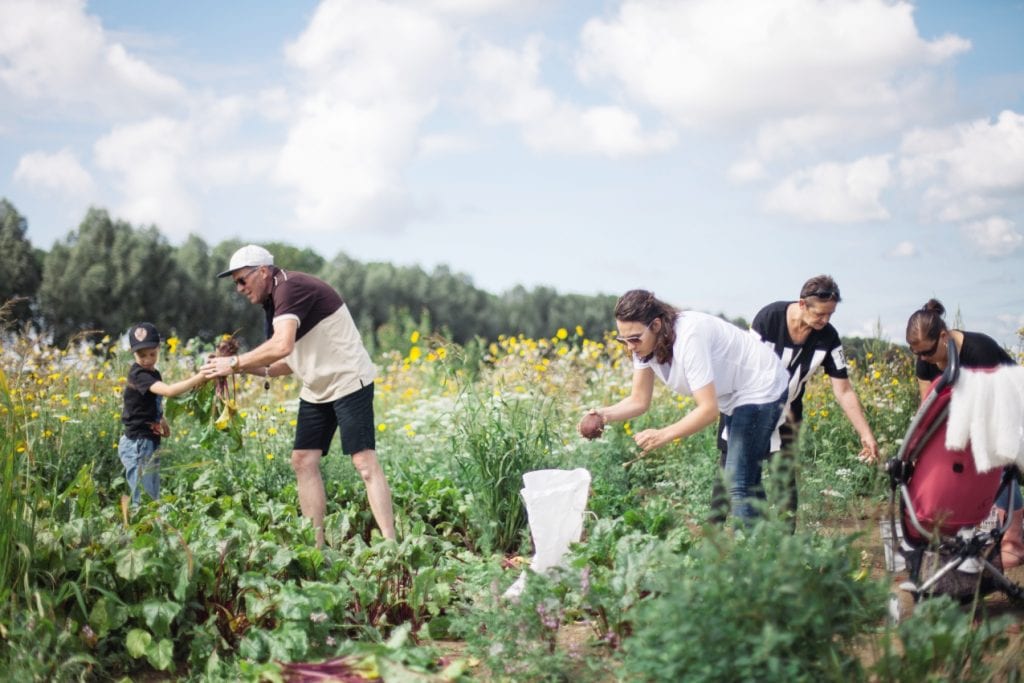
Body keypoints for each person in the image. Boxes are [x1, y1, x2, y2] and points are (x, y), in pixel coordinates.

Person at [201, 245, 396, 546]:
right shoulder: (273, 304)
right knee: (303, 460)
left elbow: (282, 346)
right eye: (235, 283)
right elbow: (285, 363)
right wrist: (236, 368)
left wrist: (236, 362)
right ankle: (316, 547)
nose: (238, 288)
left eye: (241, 280)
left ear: (262, 271)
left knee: (364, 462)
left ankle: (392, 546)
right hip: (317, 387)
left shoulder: (289, 288)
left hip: (348, 379)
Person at [579, 289, 789, 522]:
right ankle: (764, 538)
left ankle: (753, 544)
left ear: (656, 325)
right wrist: (603, 414)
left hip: (761, 384)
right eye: (624, 340)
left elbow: (708, 410)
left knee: (738, 482)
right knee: (745, 478)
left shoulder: (689, 338)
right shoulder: (643, 345)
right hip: (734, 392)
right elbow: (639, 400)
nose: (630, 347)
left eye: (635, 339)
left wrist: (663, 435)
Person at [717, 276, 879, 527]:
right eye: (820, 314)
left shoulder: (828, 338)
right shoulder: (769, 318)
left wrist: (865, 433)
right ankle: (713, 533)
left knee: (784, 481)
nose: (825, 320)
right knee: (730, 473)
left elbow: (844, 390)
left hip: (787, 413)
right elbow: (745, 366)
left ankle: (785, 543)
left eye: (830, 314)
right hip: (746, 407)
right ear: (802, 304)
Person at [906, 299, 1024, 569]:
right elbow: (928, 409)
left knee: (999, 461)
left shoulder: (979, 351)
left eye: (927, 351)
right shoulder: (925, 361)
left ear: (944, 337)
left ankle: (1014, 539)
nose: (922, 358)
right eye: (916, 353)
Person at [120, 322, 207, 505]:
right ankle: (139, 522)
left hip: (147, 439)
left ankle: (150, 521)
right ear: (133, 353)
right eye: (142, 355)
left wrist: (161, 419)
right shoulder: (139, 375)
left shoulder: (153, 373)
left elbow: (150, 402)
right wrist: (200, 377)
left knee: (151, 492)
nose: (147, 359)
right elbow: (168, 391)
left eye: (152, 354)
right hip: (138, 443)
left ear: (159, 349)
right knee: (143, 497)